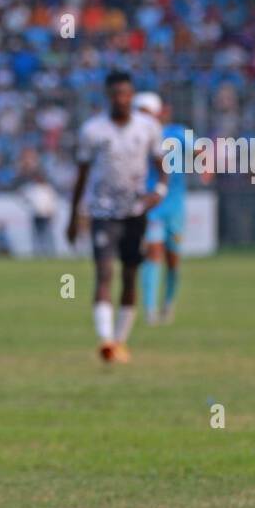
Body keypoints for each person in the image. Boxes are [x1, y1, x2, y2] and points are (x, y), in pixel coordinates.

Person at [66, 71, 168, 363]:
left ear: (132, 96)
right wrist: (74, 217)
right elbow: (82, 176)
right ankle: (106, 340)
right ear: (108, 96)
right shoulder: (93, 131)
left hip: (135, 211)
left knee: (130, 275)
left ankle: (120, 340)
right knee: (104, 272)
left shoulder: (148, 127)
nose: (122, 99)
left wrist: (158, 192)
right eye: (116, 94)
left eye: (127, 94)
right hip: (102, 211)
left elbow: (162, 166)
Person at [134, 92, 189, 325]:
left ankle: (169, 303)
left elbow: (200, 152)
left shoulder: (178, 133)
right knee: (153, 252)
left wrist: (206, 164)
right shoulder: (136, 136)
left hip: (175, 205)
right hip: (152, 204)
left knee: (173, 259)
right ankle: (150, 310)